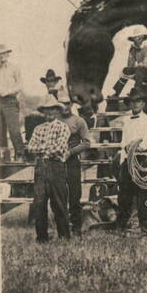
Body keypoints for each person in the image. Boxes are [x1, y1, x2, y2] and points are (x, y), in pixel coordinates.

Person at [115, 88, 147, 238]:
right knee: (124, 196)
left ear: (143, 103)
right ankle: (121, 227)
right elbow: (123, 143)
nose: (135, 104)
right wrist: (122, 161)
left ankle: (145, 230)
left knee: (142, 196)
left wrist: (135, 146)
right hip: (127, 161)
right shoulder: (126, 121)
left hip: (141, 161)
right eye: (133, 101)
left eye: (138, 101)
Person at [27, 96, 71, 243]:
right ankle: (42, 238)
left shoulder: (63, 127)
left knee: (59, 203)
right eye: (47, 110)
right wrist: (45, 150)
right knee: (39, 204)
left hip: (56, 166)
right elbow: (31, 148)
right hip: (40, 168)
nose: (50, 112)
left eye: (53, 109)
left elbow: (59, 148)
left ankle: (64, 237)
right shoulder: (38, 129)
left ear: (58, 111)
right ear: (43, 112)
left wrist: (42, 150)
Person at [57, 91, 91, 237]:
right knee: (58, 195)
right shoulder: (54, 121)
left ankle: (76, 228)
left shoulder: (79, 121)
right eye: (61, 103)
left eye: (67, 103)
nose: (64, 106)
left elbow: (87, 143)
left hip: (72, 161)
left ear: (71, 104)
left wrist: (71, 152)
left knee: (74, 195)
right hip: (56, 161)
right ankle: (62, 229)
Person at [0, 43, 25, 161]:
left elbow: (20, 85)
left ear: (8, 54)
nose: (1, 56)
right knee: (0, 129)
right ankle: (4, 155)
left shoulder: (14, 67)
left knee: (13, 128)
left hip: (10, 100)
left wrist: (8, 91)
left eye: (3, 53)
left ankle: (20, 154)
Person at [112, 27, 147, 97]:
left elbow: (146, 63)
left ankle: (136, 91)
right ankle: (117, 92)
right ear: (133, 39)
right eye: (136, 38)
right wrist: (131, 52)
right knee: (126, 70)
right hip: (140, 70)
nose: (138, 39)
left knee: (139, 70)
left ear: (142, 39)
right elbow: (130, 65)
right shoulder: (133, 50)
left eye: (140, 37)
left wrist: (137, 66)